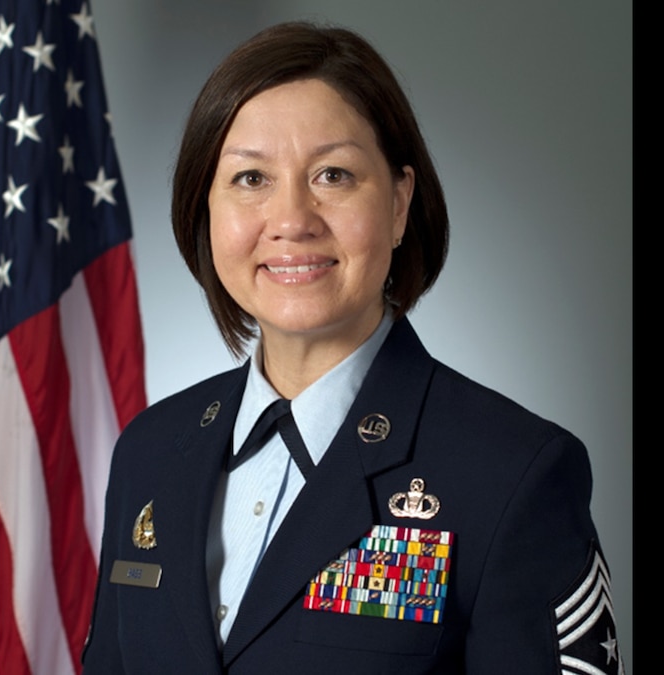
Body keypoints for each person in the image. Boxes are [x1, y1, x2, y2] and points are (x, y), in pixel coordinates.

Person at [82, 20, 624, 675]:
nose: (292, 221)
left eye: (333, 174)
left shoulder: (513, 474)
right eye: (251, 178)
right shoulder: (148, 453)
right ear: (206, 209)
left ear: (398, 203)